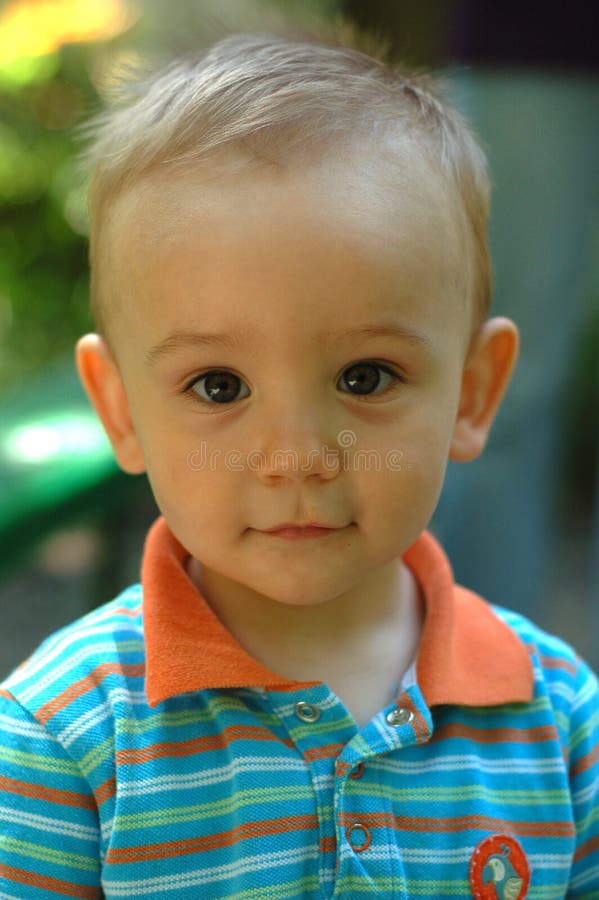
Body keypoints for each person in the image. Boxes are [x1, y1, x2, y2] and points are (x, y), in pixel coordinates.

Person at [0, 28, 597, 900]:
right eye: (217, 385)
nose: (298, 457)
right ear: (121, 407)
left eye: (365, 377)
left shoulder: (558, 722)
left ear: (471, 394)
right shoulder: (61, 739)